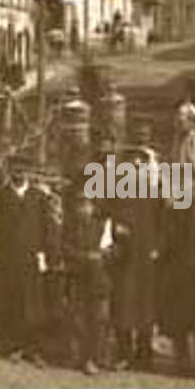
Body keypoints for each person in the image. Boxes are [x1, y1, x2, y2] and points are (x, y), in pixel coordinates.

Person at [0, 153, 49, 366]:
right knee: (10, 303)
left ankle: (34, 348)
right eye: (15, 168)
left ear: (30, 171)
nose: (19, 171)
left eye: (24, 167)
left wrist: (46, 254)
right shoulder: (0, 197)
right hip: (7, 261)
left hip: (32, 259)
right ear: (10, 171)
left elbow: (47, 228)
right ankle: (14, 346)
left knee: (34, 305)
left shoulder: (38, 196)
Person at [110, 144, 163, 370]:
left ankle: (144, 354)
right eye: (132, 164)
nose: (136, 168)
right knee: (124, 304)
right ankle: (123, 353)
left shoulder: (154, 192)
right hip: (125, 257)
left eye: (140, 164)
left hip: (146, 258)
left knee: (145, 306)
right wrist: (116, 230)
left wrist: (158, 247)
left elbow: (163, 223)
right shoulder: (118, 192)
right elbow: (107, 217)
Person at [159, 190, 195, 376]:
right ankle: (182, 363)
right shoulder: (169, 210)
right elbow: (165, 239)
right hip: (177, 271)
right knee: (179, 319)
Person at [63, 194, 114, 374]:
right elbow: (66, 249)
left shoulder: (102, 226)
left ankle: (98, 357)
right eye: (80, 205)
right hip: (78, 279)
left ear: (93, 207)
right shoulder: (70, 227)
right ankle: (83, 358)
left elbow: (115, 248)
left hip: (100, 280)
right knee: (80, 320)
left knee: (100, 320)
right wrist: (85, 257)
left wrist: (106, 255)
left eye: (87, 205)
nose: (83, 209)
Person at [174, 89, 195, 171]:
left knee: (190, 150)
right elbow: (179, 121)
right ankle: (185, 167)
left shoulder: (191, 108)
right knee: (184, 150)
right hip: (184, 131)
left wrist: (192, 125)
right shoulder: (184, 108)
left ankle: (193, 167)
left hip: (189, 131)